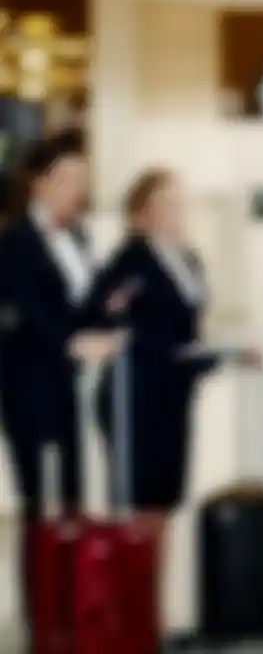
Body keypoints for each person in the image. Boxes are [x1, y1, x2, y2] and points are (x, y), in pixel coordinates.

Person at [0, 129, 122, 621]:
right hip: (30, 387)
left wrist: (107, 311)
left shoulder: (79, 237)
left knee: (70, 495)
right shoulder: (15, 243)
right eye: (69, 180)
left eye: (83, 182)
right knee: (41, 500)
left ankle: (69, 602)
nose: (78, 191)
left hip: (70, 387)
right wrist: (73, 343)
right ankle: (40, 612)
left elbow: (82, 303)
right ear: (40, 184)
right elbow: (27, 312)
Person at [87, 169, 227, 548]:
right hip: (137, 395)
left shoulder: (189, 260)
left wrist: (207, 357)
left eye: (179, 202)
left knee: (164, 500)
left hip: (174, 393)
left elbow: (189, 326)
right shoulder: (131, 260)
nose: (176, 211)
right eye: (165, 203)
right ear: (142, 213)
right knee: (142, 501)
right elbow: (104, 313)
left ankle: (151, 599)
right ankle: (135, 599)